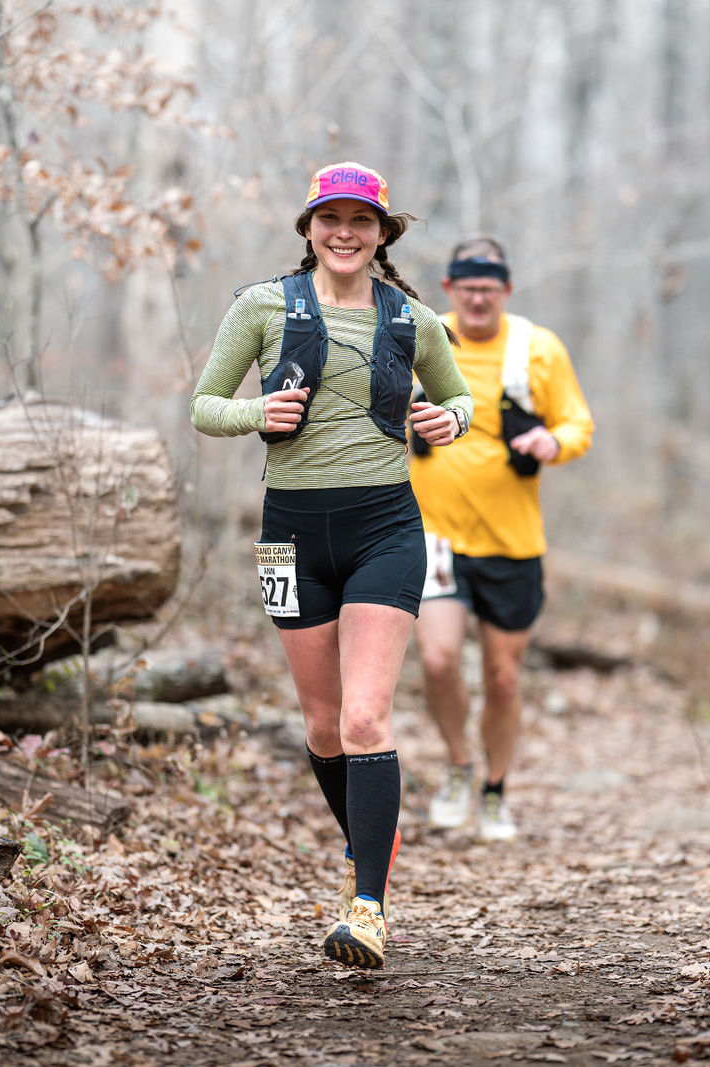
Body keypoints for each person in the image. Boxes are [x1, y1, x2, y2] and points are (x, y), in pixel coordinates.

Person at [190, 163, 472, 969]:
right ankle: (369, 856)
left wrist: (445, 421)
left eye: (361, 220)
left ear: (384, 232)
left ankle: (368, 907)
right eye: (330, 217)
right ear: (308, 226)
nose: (344, 232)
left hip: (386, 526)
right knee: (322, 725)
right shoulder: (262, 305)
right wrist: (257, 412)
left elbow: (460, 401)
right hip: (288, 537)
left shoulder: (412, 318)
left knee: (364, 720)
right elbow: (205, 405)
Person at [409, 236, 594, 842]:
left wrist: (553, 443)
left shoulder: (537, 350)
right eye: (468, 289)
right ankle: (459, 764)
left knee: (503, 677)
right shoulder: (422, 335)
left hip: (512, 544)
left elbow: (577, 423)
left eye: (490, 289)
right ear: (450, 289)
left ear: (506, 291)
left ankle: (495, 788)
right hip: (433, 536)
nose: (479, 299)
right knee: (438, 661)